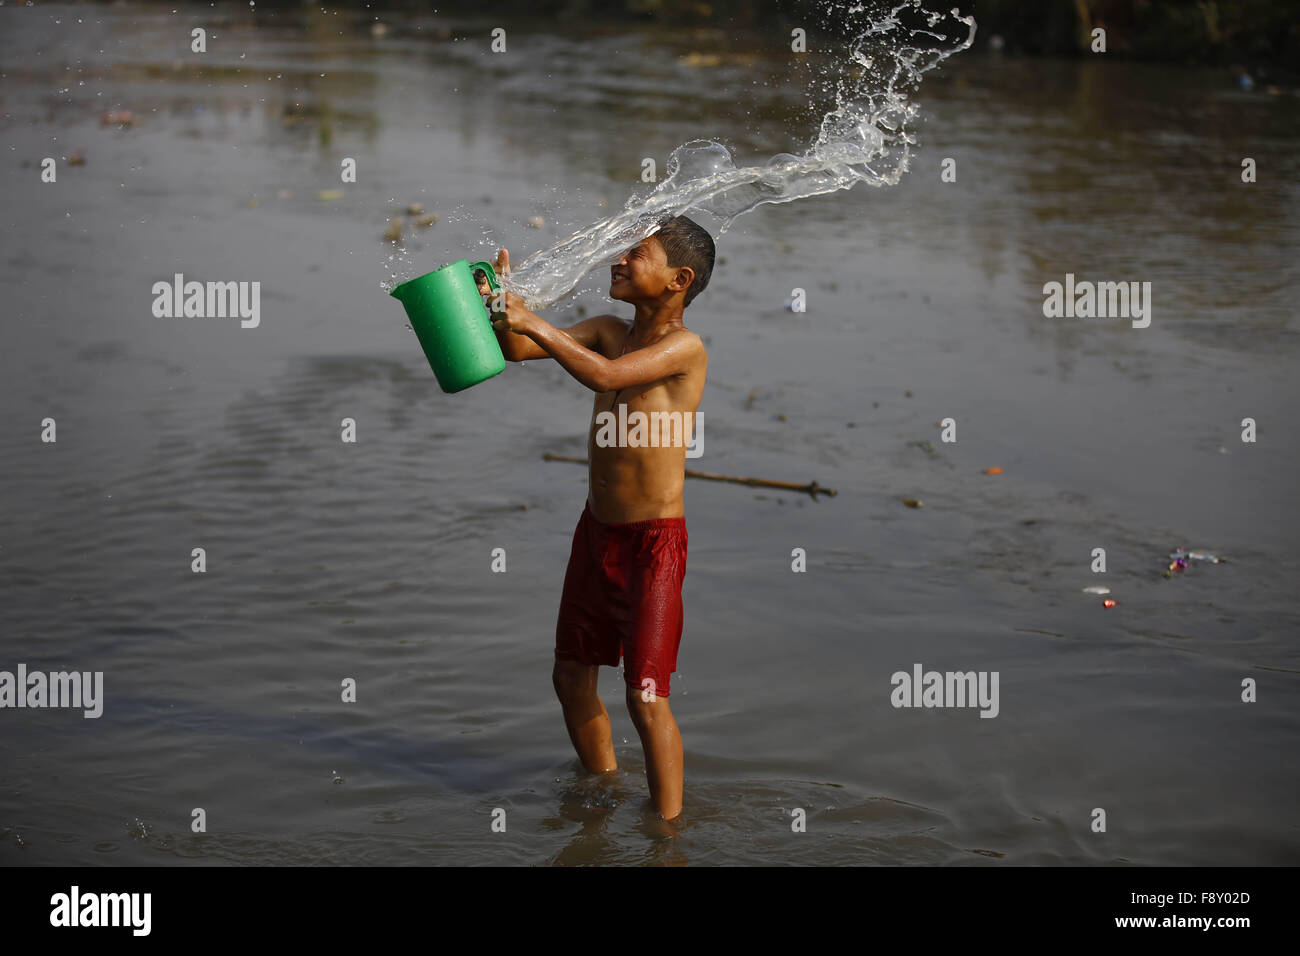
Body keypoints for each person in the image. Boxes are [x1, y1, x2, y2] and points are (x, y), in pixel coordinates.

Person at [475, 215, 714, 821]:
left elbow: (603, 377)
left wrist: (535, 319)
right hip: (597, 534)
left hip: (653, 544)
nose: (620, 258)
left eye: (638, 253)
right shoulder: (610, 331)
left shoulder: (684, 349)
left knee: (646, 695)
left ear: (677, 279)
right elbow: (519, 349)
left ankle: (668, 838)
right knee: (570, 677)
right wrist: (503, 309)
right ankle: (603, 790)